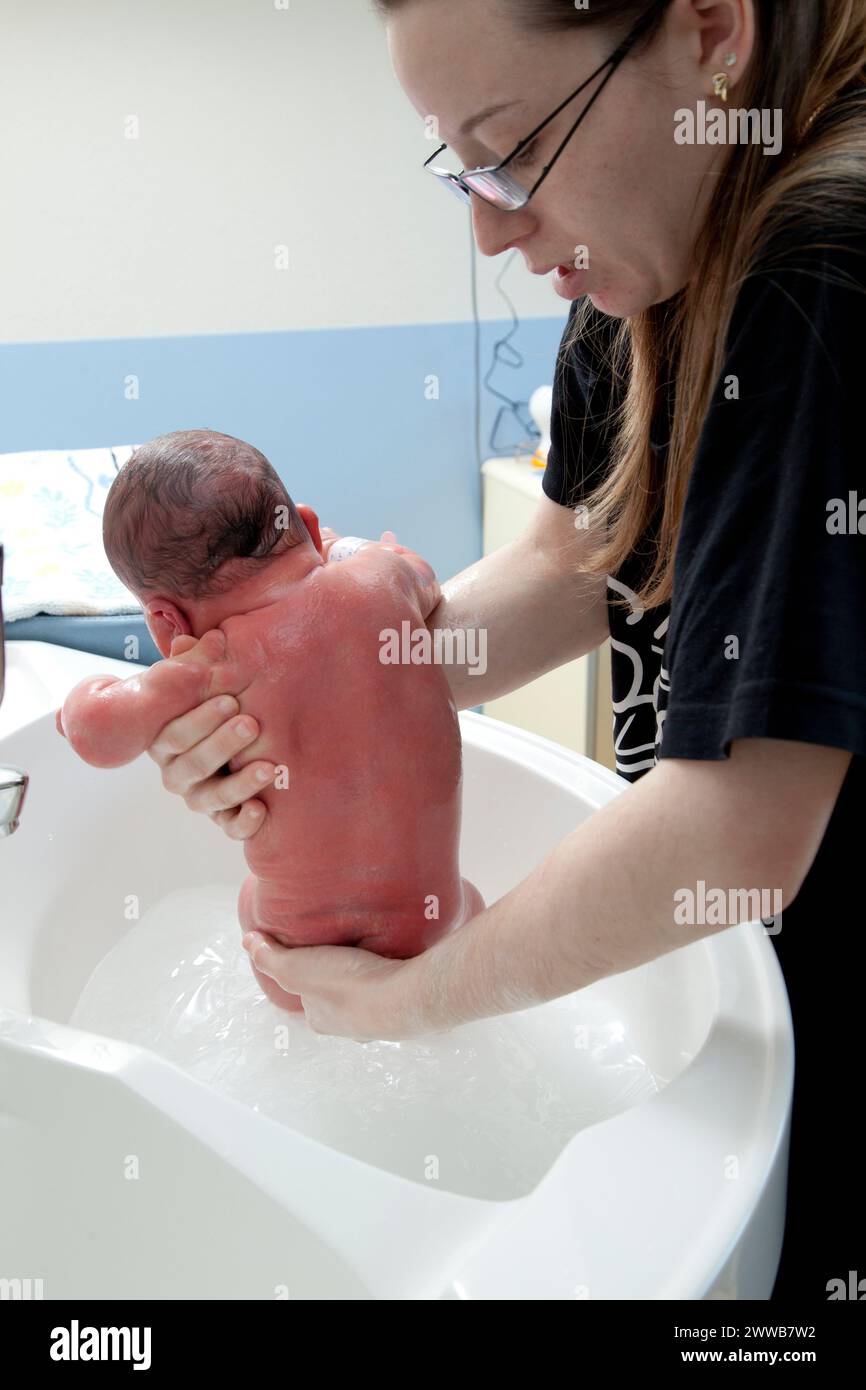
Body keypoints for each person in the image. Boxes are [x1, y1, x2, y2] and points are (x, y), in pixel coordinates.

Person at [142, 0, 866, 1298]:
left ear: (709, 33)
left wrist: (409, 1002)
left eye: (513, 148)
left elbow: (739, 829)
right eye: (462, 168)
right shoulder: (642, 269)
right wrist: (309, 702)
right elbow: (571, 556)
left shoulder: (820, 261)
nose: (488, 228)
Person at [56, 428, 484, 1010]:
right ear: (307, 527)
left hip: (300, 964)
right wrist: (344, 552)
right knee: (468, 900)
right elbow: (421, 573)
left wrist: (82, 699)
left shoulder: (212, 663)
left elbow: (96, 732)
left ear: (165, 622)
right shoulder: (382, 581)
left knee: (249, 901)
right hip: (440, 928)